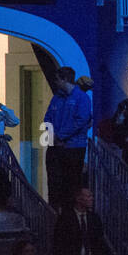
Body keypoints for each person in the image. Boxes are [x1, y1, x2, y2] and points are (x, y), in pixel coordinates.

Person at [43, 67, 92, 209]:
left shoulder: (82, 98)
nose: (55, 82)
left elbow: (81, 120)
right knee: (53, 183)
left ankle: (69, 214)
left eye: (57, 79)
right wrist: (52, 134)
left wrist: (60, 136)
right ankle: (54, 213)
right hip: (55, 147)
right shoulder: (57, 98)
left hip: (73, 148)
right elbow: (47, 118)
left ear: (64, 79)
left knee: (71, 185)